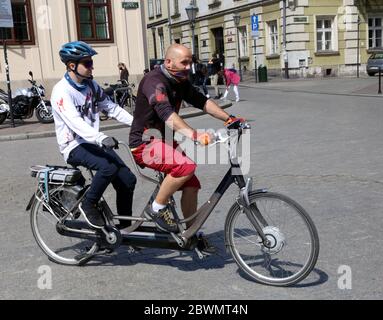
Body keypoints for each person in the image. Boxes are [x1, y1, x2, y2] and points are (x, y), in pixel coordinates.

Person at [129, 44, 244, 252]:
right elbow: (165, 113)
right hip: (144, 144)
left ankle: (191, 234)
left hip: (164, 141)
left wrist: (229, 119)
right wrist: (194, 134)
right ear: (168, 62)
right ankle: (157, 208)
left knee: (192, 184)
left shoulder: (180, 80)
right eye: (184, 62)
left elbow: (201, 101)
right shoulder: (154, 82)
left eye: (190, 62)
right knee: (185, 167)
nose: (188, 67)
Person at [51, 41, 137, 230]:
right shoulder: (61, 91)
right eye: (87, 63)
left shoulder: (91, 85)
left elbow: (111, 108)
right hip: (73, 145)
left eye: (91, 62)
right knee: (107, 167)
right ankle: (88, 203)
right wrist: (100, 138)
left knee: (128, 180)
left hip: (92, 142)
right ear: (72, 65)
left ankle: (125, 229)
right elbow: (75, 122)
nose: (92, 66)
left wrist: (137, 123)